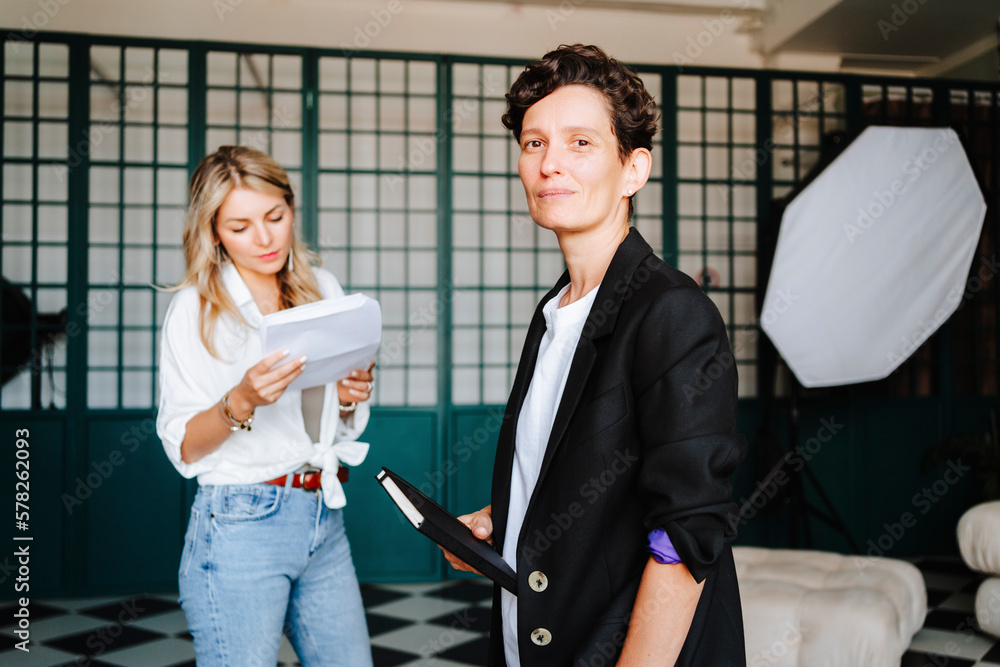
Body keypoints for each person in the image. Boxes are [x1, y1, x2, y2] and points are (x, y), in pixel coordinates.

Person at [443, 45, 748, 666]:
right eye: (534, 144)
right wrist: (511, 522)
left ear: (634, 169)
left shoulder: (671, 311)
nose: (550, 163)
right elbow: (583, 479)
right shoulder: (556, 310)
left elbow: (687, 534)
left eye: (580, 143)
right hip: (536, 637)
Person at [156, 145, 376, 666]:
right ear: (213, 232)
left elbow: (330, 424)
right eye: (240, 226)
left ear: (290, 209)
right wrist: (242, 400)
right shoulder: (195, 310)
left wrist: (347, 397)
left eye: (275, 217)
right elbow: (185, 447)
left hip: (322, 514)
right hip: (240, 522)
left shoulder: (323, 289)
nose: (264, 238)